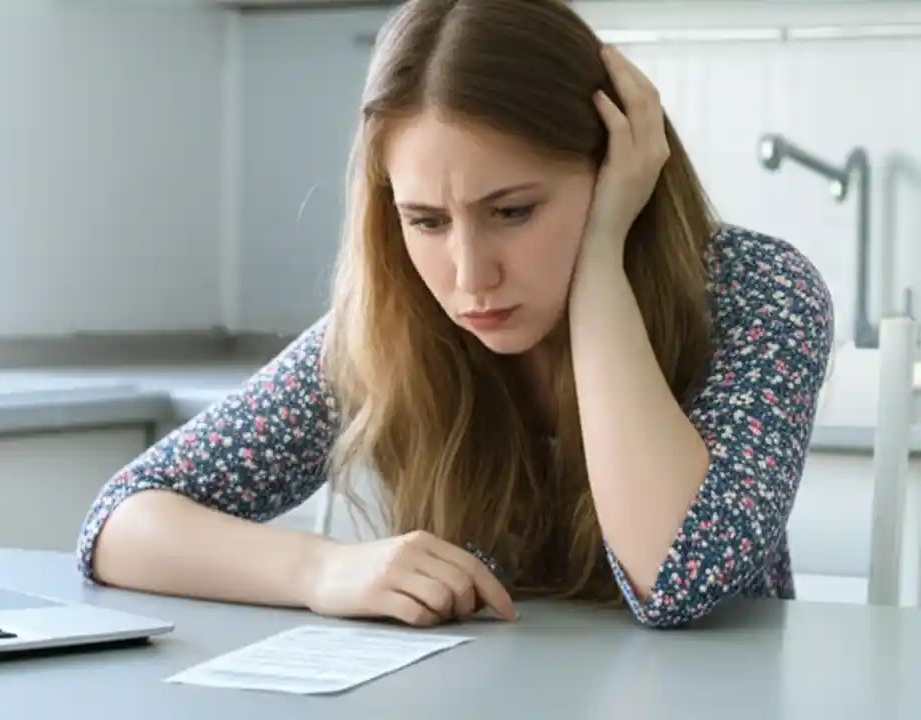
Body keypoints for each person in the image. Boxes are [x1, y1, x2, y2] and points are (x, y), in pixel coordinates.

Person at [76, 0, 835, 629]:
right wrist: (321, 569)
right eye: (427, 221)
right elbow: (120, 523)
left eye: (512, 211)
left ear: (614, 171)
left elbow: (680, 580)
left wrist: (602, 259)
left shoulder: (760, 293)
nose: (471, 278)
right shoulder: (392, 323)